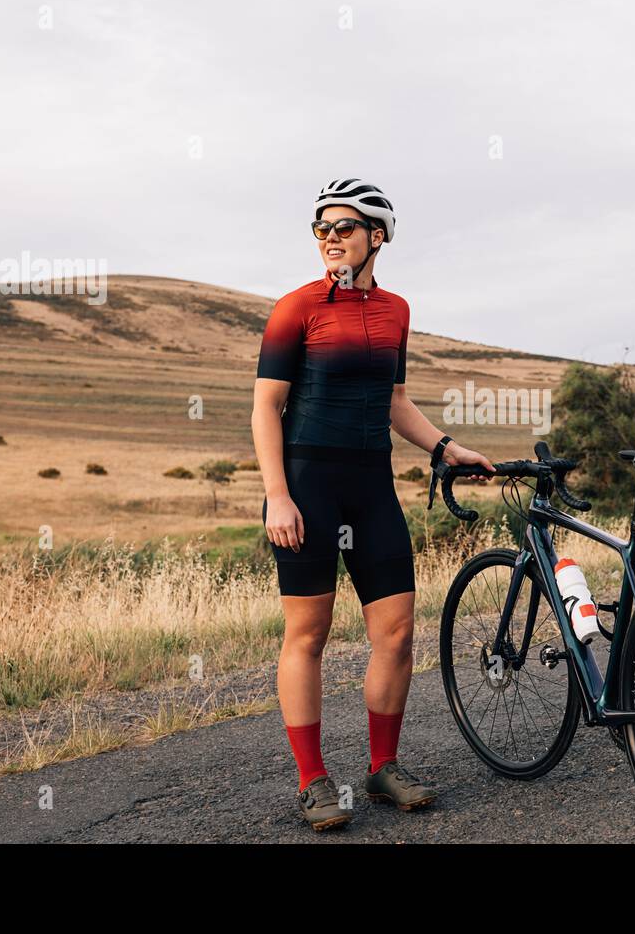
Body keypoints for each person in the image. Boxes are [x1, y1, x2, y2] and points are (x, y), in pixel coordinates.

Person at [251, 179, 494, 831]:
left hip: (372, 484)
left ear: (377, 236)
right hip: (307, 483)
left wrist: (447, 446)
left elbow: (394, 401)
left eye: (345, 226)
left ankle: (382, 766)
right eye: (321, 227)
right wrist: (277, 494)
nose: (330, 236)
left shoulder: (396, 311)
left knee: (396, 632)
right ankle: (313, 780)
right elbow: (266, 407)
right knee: (309, 634)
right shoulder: (295, 309)